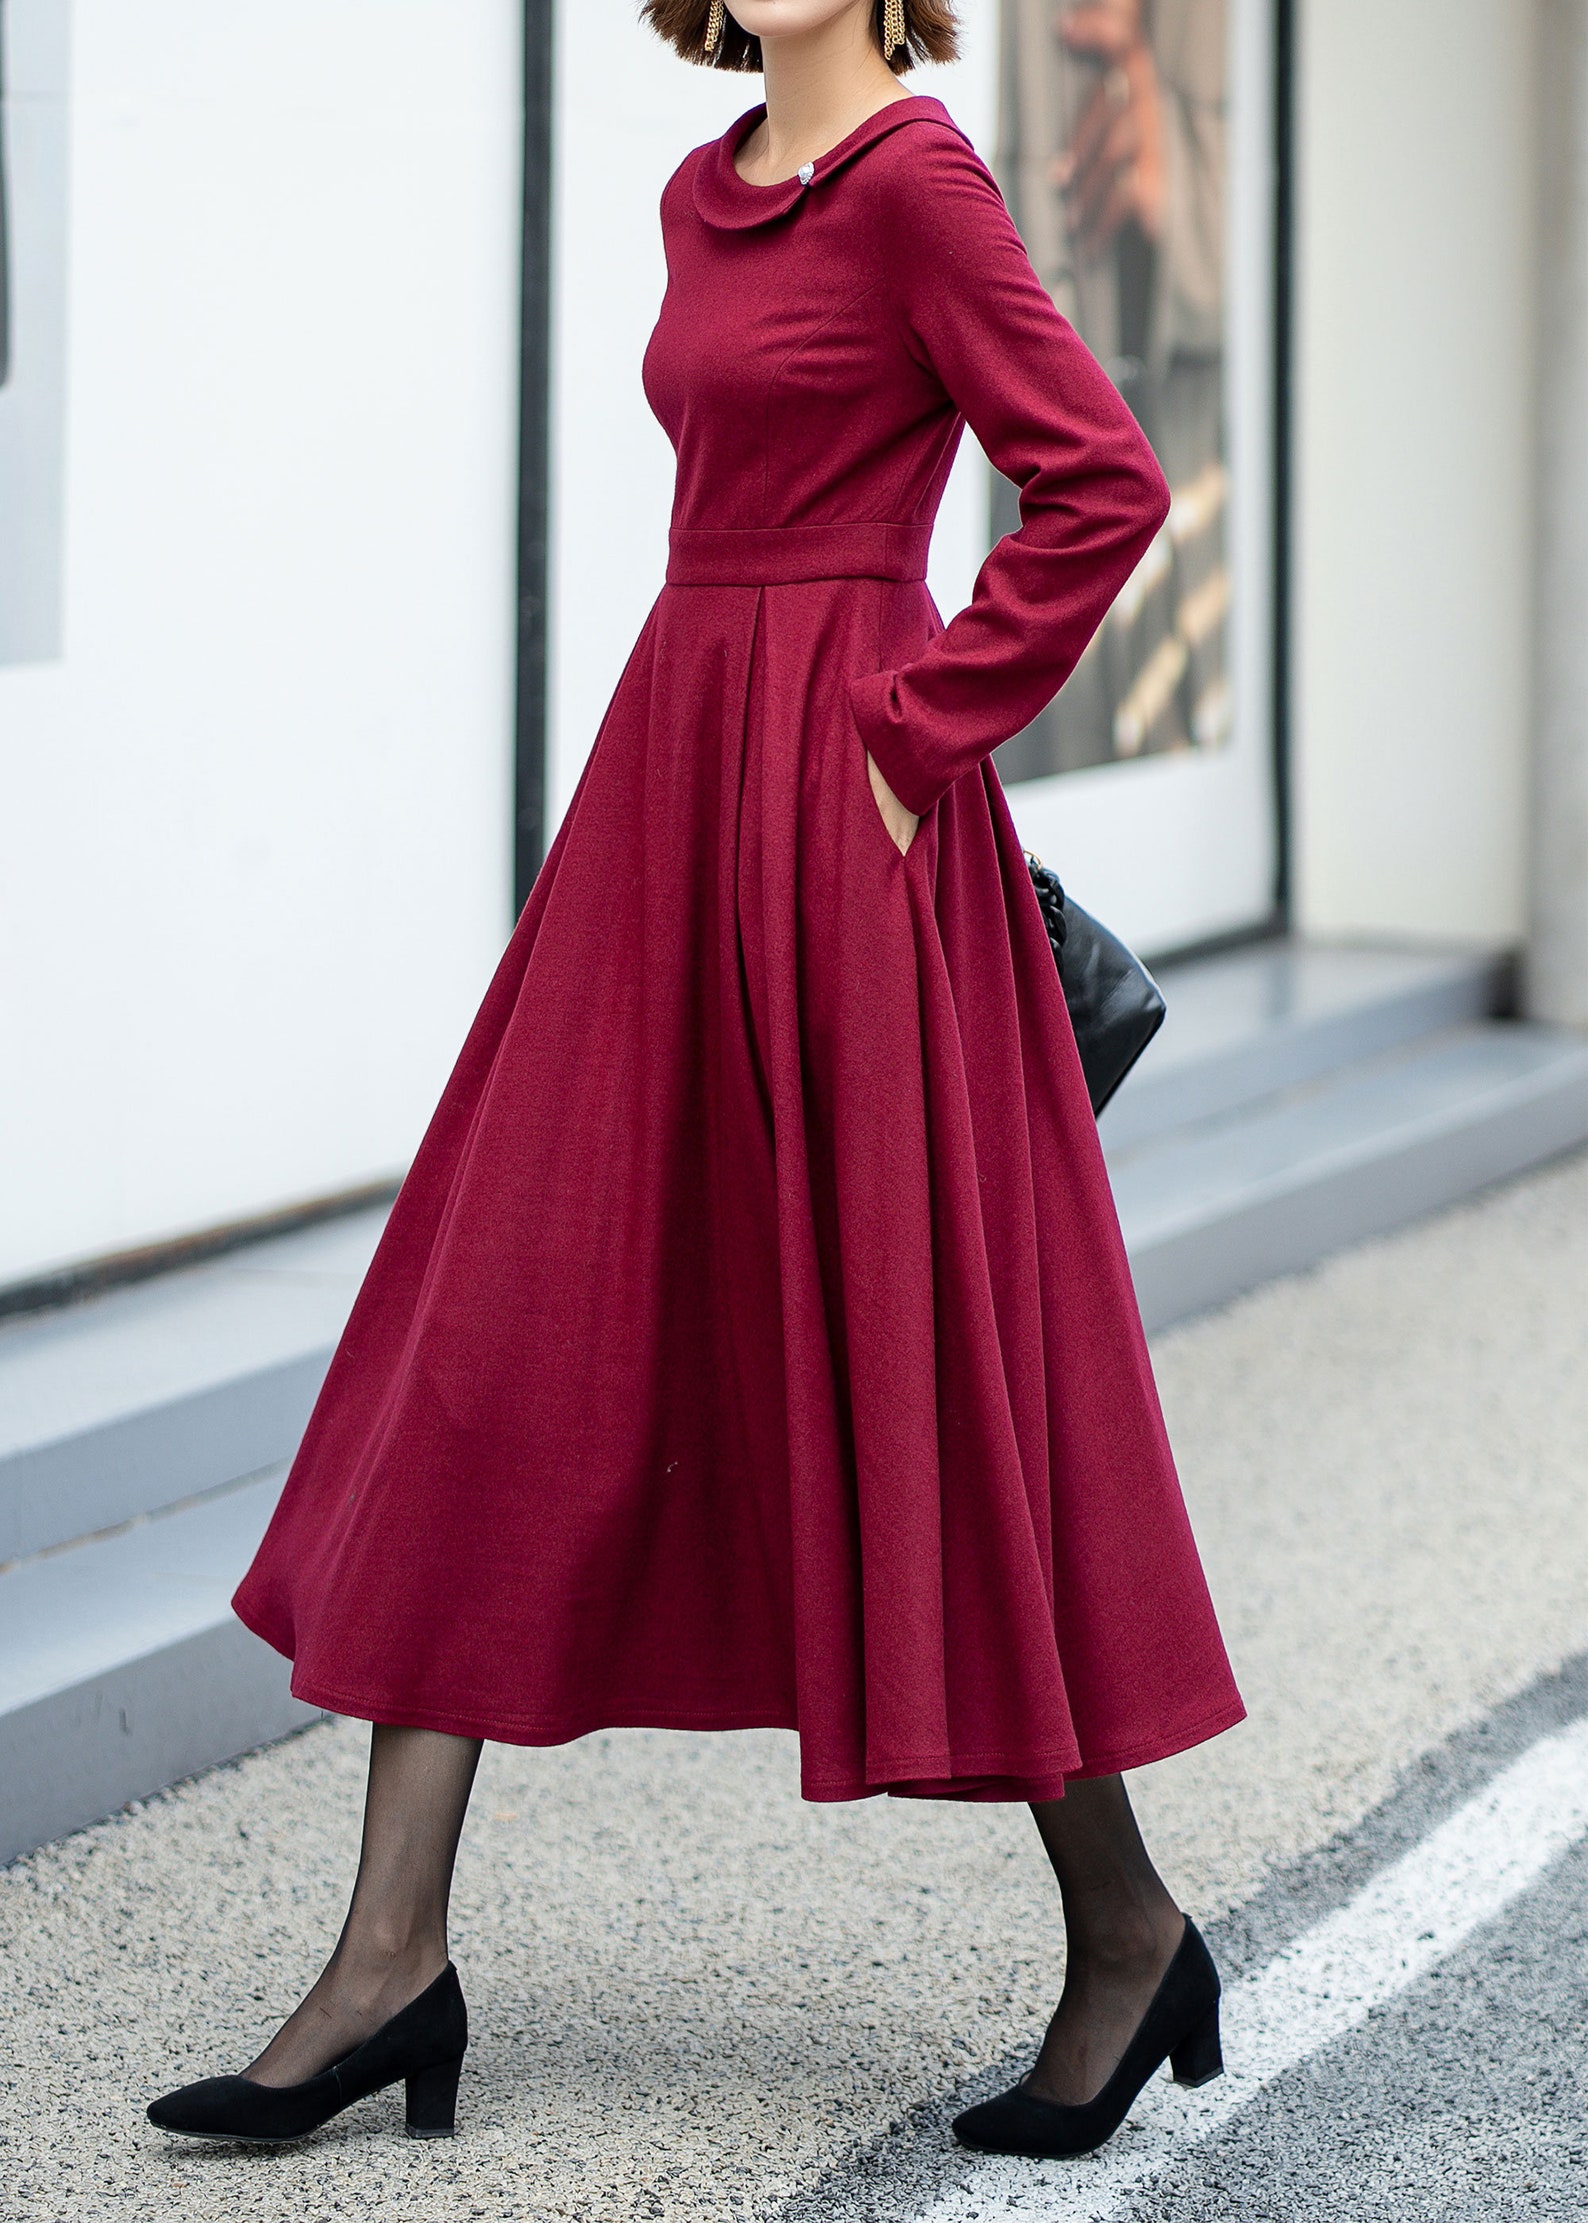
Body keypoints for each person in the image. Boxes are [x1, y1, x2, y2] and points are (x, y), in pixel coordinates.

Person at [146, 0, 1243, 2165]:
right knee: (492, 1338)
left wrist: (919, 730)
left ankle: (1127, 1930)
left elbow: (1100, 480)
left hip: (848, 824)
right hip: (671, 788)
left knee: (919, 1373)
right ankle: (388, 1958)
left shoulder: (920, 186)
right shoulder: (697, 191)